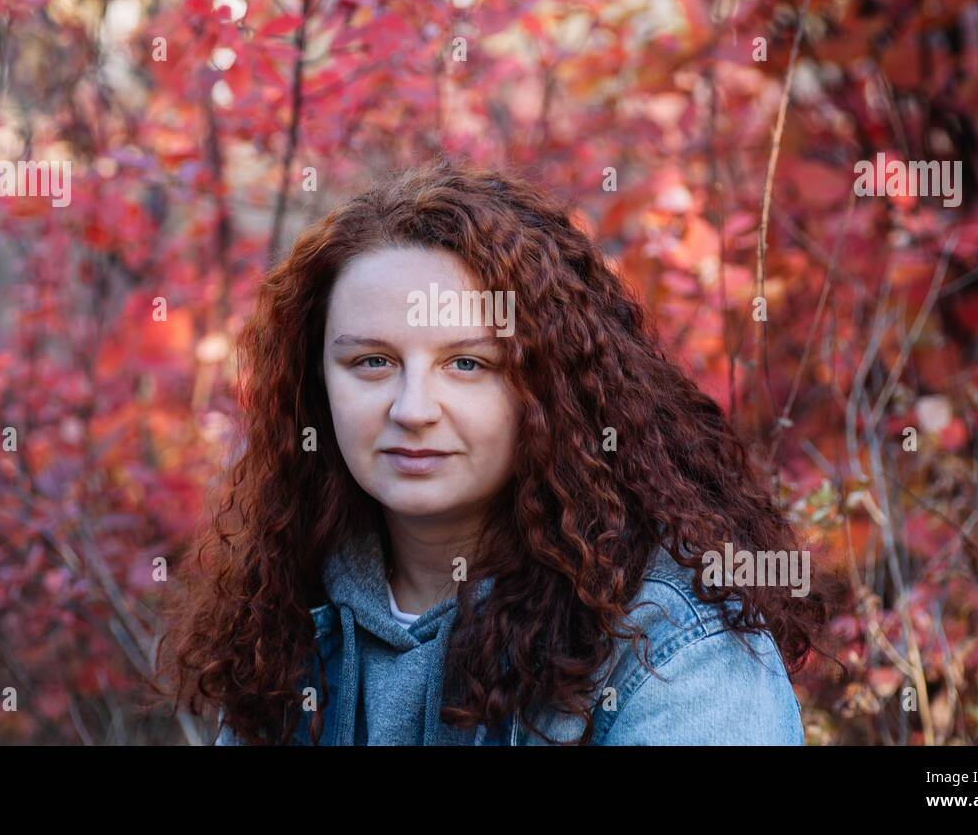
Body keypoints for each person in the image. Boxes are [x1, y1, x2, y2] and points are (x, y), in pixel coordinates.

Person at [159, 156, 826, 745]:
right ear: (316, 383)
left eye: (468, 365)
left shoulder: (671, 647)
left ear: (551, 386)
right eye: (371, 362)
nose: (412, 408)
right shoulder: (285, 613)